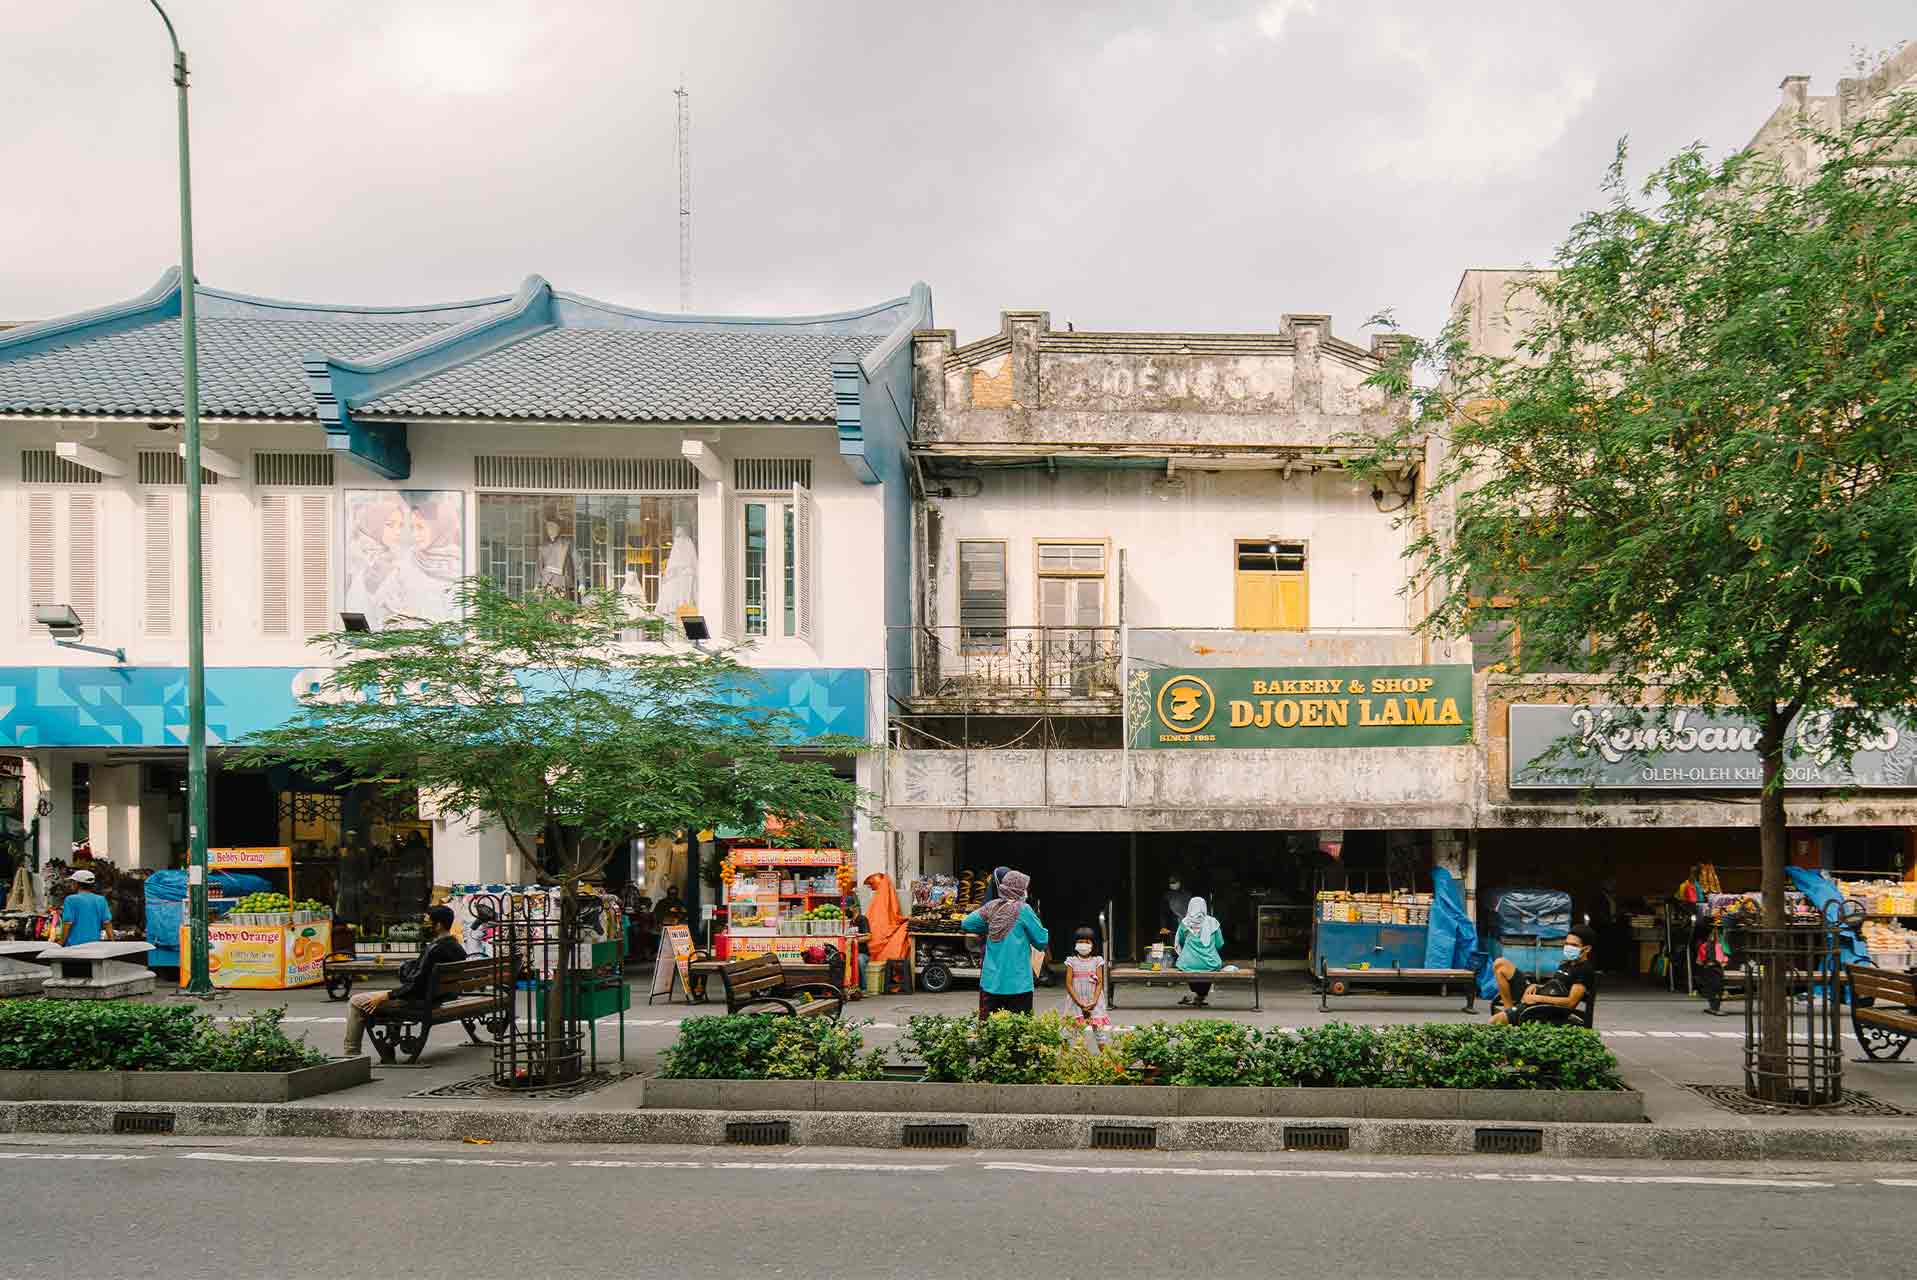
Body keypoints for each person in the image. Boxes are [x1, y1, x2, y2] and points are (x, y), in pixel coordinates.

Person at [344, 906, 465, 1057]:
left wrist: (386, 995)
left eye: (428, 922)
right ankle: (386, 1044)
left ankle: (350, 1054)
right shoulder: (458, 948)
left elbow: (416, 986)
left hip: (420, 1001)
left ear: (438, 925)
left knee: (356, 1001)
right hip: (442, 998)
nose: (424, 925)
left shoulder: (434, 949)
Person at [961, 869, 1048, 1017]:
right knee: (1018, 1033)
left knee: (992, 1031)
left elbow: (967, 923)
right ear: (1019, 890)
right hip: (1018, 985)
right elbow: (1041, 941)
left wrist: (988, 926)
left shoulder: (991, 907)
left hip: (991, 984)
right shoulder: (1024, 909)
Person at [1491, 928, 1596, 1025]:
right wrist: (1537, 986)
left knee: (1495, 1021)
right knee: (1500, 964)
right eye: (1567, 944)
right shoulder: (1566, 964)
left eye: (1574, 945)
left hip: (1546, 1009)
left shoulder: (1584, 970)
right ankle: (1509, 1010)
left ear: (1586, 949)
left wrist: (1536, 998)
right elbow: (1554, 987)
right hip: (1538, 998)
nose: (1568, 947)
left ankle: (1511, 1016)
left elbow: (1570, 1003)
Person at [1063, 926, 1111, 1049]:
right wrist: (1079, 1003)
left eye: (1087, 942)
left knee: (1099, 1031)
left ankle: (1105, 1058)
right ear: (1074, 943)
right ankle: (1068, 1058)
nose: (1083, 945)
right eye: (1080, 941)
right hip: (1075, 1001)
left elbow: (1100, 983)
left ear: (1093, 944)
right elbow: (1068, 984)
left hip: (1094, 1001)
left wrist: (1094, 1001)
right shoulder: (1071, 961)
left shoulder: (1097, 960)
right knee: (1072, 1031)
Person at [1174, 895, 1224, 1007]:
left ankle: (1197, 994)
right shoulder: (1213, 923)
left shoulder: (1185, 923)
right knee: (1206, 969)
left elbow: (1180, 941)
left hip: (1187, 963)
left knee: (1190, 967)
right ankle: (1201, 995)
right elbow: (1219, 944)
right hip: (1210, 963)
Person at [56, 869, 112, 946]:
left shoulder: (70, 899)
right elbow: (107, 923)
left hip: (73, 947)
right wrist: (112, 942)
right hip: (94, 946)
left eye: (72, 882)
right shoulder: (101, 899)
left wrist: (61, 942)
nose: (71, 884)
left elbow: (67, 923)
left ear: (77, 883)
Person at [1693, 914, 1729, 1015]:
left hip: (1713, 968)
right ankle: (1714, 1007)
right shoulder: (1708, 945)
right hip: (1711, 968)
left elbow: (1700, 961)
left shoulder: (1717, 945)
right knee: (1713, 988)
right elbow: (1700, 960)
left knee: (1715, 988)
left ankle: (1714, 1007)